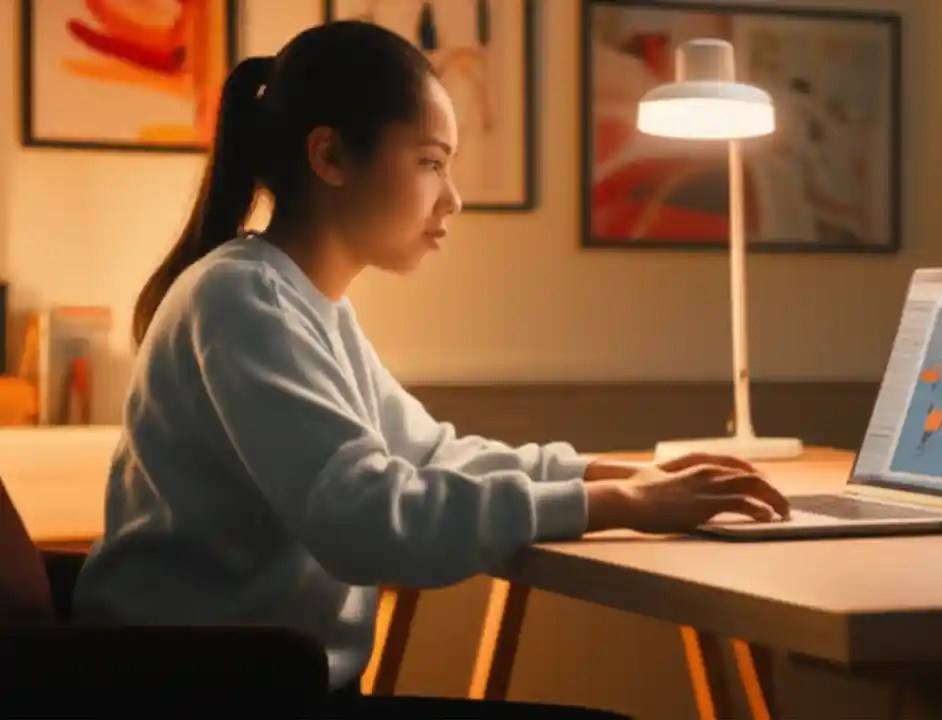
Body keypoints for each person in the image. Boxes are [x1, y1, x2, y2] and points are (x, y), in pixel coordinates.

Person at [70, 19, 790, 715]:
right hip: (197, 695)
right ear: (330, 157)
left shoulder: (303, 304)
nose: (453, 197)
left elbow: (429, 455)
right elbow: (364, 518)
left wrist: (612, 475)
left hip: (258, 685)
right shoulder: (240, 298)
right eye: (430, 162)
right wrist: (613, 504)